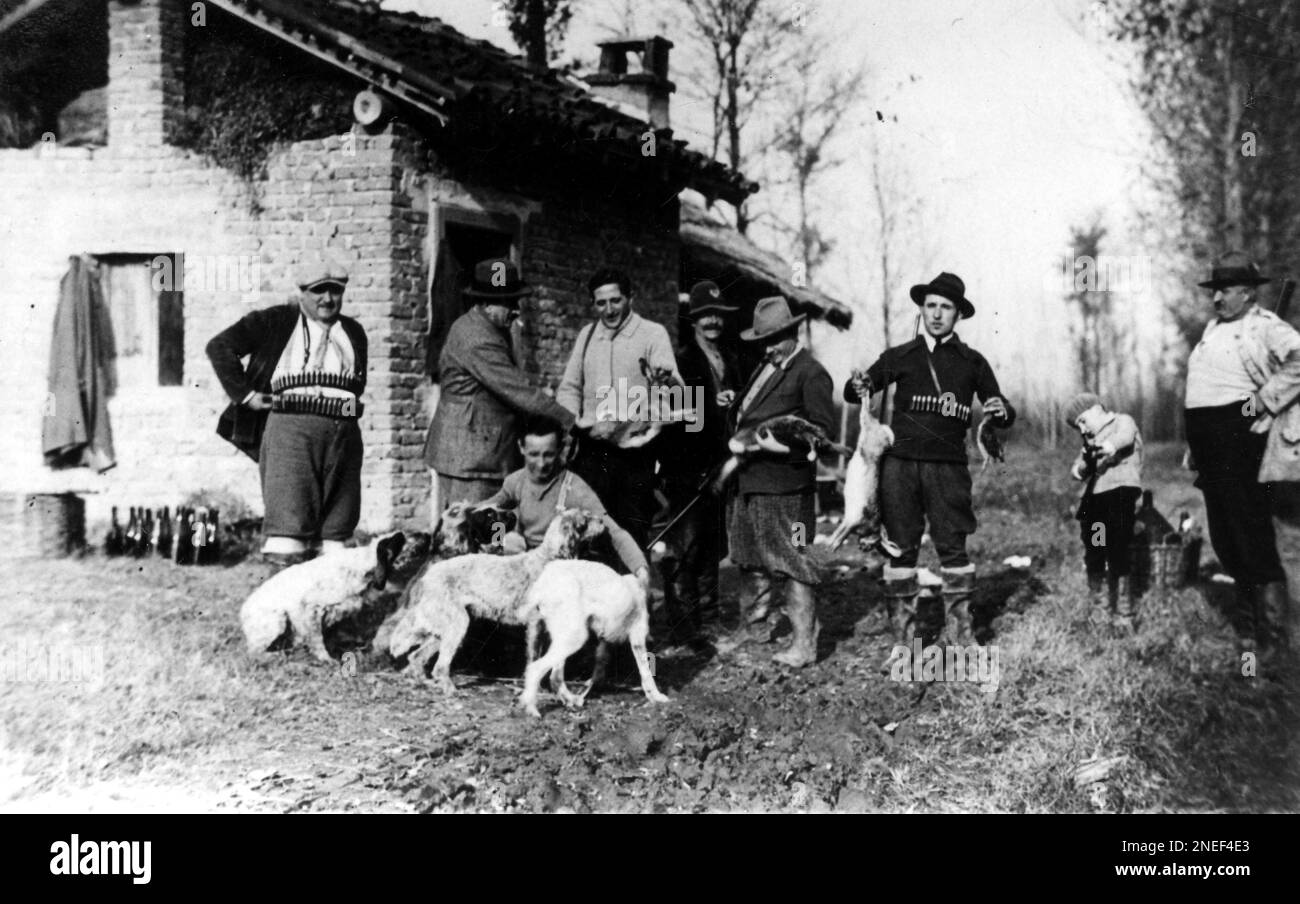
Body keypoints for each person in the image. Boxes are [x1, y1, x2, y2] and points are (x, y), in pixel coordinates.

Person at [844, 272, 1015, 646]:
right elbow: (855, 390)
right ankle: (904, 642)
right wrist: (858, 385)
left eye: (946, 307)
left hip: (949, 469)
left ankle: (961, 636)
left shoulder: (973, 362)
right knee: (901, 550)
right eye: (931, 306)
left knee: (953, 548)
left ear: (959, 315)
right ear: (922, 310)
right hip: (900, 468)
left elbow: (1001, 409)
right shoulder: (900, 356)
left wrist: (1000, 411)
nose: (937, 314)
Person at [206, 252, 367, 559]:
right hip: (291, 432)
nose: (328, 299)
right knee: (290, 528)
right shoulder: (276, 321)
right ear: (302, 292)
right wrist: (248, 395)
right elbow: (220, 346)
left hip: (344, 433)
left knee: (338, 530)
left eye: (336, 290)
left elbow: (357, 385)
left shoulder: (354, 332)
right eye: (319, 290)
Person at [1184, 252, 1300, 666]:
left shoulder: (1264, 326)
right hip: (1211, 444)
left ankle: (1274, 644)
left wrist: (1264, 403)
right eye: (1214, 290)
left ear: (1249, 294)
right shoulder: (1214, 329)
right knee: (1226, 539)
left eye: (1226, 290)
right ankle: (1249, 632)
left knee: (1250, 536)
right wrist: (1197, 441)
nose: (1217, 298)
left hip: (1241, 441)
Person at [718, 296, 835, 668]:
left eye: (774, 340)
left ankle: (804, 643)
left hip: (787, 490)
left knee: (794, 559)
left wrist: (781, 448)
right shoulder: (767, 367)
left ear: (793, 332)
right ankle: (754, 629)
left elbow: (823, 436)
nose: (767, 348)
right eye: (763, 341)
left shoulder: (810, 373)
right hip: (750, 483)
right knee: (749, 557)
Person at [424, 258, 577, 513]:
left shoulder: (488, 326)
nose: (516, 309)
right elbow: (520, 392)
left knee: (490, 526)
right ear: (484, 302)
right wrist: (571, 421)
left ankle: (494, 550)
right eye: (509, 302)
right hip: (472, 459)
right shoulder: (477, 338)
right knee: (476, 525)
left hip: (481, 453)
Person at [557, 267, 681, 549]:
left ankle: (634, 590)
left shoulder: (652, 334)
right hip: (591, 452)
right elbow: (569, 387)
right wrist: (575, 423)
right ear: (593, 304)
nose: (609, 309)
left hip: (634, 455)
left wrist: (665, 381)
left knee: (632, 533)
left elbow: (673, 393)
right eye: (601, 303)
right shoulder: (587, 335)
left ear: (630, 298)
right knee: (588, 532)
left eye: (616, 300)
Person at [657, 281, 746, 640]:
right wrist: (714, 405)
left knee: (712, 546)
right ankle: (683, 628)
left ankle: (709, 622)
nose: (712, 322)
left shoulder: (731, 360)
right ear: (693, 320)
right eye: (705, 316)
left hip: (721, 467)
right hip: (688, 468)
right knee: (685, 548)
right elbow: (682, 420)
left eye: (718, 316)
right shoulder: (683, 363)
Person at [478, 415, 649, 584]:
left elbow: (614, 533)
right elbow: (486, 513)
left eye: (549, 455)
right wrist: (500, 541)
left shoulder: (575, 488)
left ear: (560, 449)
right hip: (528, 569)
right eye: (534, 454)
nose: (541, 463)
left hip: (563, 576)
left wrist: (640, 569)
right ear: (521, 448)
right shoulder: (515, 481)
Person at [1065, 393, 1143, 632]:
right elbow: (1076, 470)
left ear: (1097, 409)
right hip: (1095, 500)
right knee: (1095, 548)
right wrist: (1085, 463)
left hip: (1119, 492)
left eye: (1082, 419)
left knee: (1118, 547)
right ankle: (1101, 611)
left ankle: (1124, 614)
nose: (1081, 427)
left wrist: (1106, 447)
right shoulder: (1088, 441)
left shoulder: (1122, 421)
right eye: (1077, 425)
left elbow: (1125, 438)